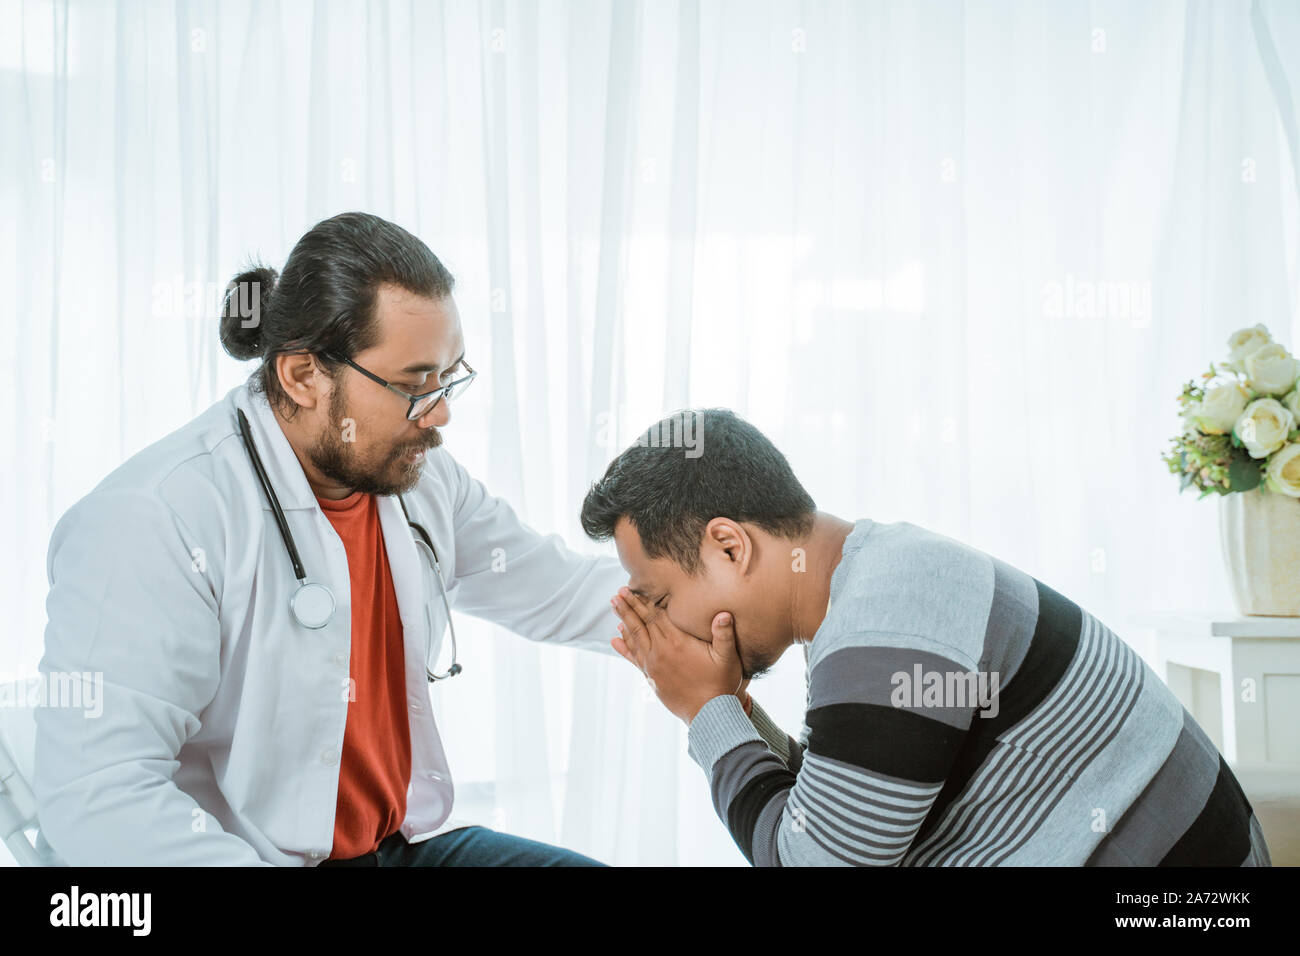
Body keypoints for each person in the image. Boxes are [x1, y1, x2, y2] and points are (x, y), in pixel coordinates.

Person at [34, 211, 618, 866]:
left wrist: (717, 612)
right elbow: (97, 796)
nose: (442, 412)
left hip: (390, 847)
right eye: (412, 384)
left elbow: (561, 591)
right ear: (304, 376)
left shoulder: (416, 477)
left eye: (450, 376)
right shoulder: (156, 520)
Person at [581, 407, 1273, 866]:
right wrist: (731, 708)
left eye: (662, 600)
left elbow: (815, 863)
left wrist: (708, 713)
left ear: (729, 546)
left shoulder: (887, 617)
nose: (665, 630)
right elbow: (839, 815)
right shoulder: (880, 582)